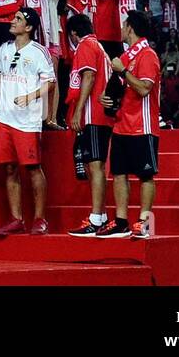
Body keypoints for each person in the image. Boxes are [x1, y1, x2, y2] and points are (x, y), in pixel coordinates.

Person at [0, 7, 54, 235]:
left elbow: (50, 83)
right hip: (4, 117)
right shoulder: (4, 48)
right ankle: (16, 219)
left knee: (33, 168)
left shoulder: (39, 52)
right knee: (10, 168)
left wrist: (30, 96)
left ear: (29, 27)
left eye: (18, 19)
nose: (12, 21)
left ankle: (39, 219)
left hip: (27, 121)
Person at [98, 10, 161, 238]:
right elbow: (116, 90)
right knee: (119, 173)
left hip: (142, 126)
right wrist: (105, 99)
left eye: (124, 26)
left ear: (130, 28)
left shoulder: (148, 55)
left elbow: (144, 89)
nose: (121, 30)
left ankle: (145, 223)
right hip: (121, 124)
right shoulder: (125, 58)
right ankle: (121, 221)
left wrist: (123, 72)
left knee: (146, 176)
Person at [64, 14, 115, 236]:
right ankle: (100, 216)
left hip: (93, 115)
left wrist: (78, 110)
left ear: (73, 33)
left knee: (95, 166)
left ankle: (96, 218)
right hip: (100, 116)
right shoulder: (100, 48)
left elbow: (88, 78)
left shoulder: (85, 45)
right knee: (95, 166)